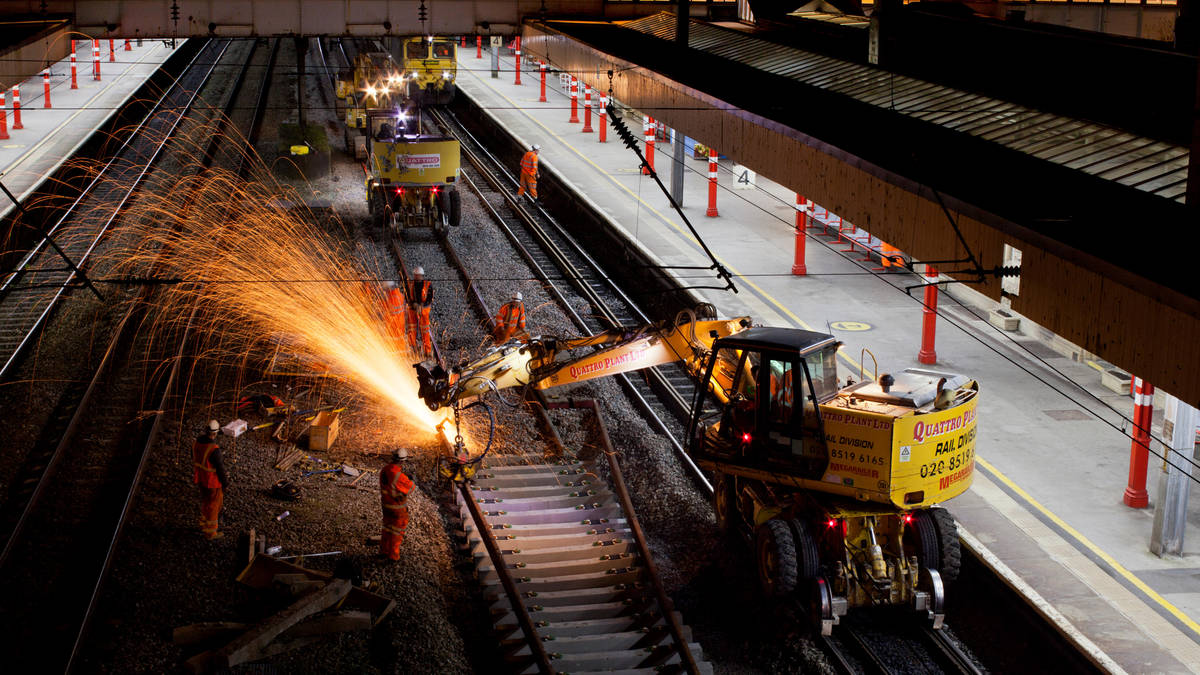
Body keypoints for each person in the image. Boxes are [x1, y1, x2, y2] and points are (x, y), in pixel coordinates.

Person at [192, 419, 229, 540]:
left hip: (201, 479)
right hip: (212, 483)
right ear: (215, 433)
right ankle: (211, 533)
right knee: (213, 506)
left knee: (206, 503)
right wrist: (225, 483)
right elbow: (220, 469)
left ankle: (203, 525)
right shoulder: (214, 450)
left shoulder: (197, 443)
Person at [379, 448, 415, 560]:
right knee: (397, 532)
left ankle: (384, 551)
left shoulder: (384, 470)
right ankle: (393, 556)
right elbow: (411, 488)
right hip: (397, 509)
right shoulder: (398, 476)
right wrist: (409, 479)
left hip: (386, 506)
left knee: (387, 529)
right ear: (402, 461)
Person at [406, 266, 434, 358]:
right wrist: (413, 304)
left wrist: (422, 305)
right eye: (416, 275)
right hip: (412, 310)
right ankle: (413, 348)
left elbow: (430, 298)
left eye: (418, 275)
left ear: (422, 276)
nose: (417, 277)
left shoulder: (428, 284)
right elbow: (407, 296)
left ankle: (427, 351)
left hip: (424, 310)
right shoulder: (410, 284)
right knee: (412, 329)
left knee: (425, 330)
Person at [382, 280, 406, 354]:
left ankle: (396, 356)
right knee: (400, 341)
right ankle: (402, 354)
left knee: (393, 344)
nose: (385, 292)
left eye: (386, 290)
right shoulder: (400, 295)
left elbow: (388, 309)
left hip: (394, 325)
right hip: (401, 323)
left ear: (388, 289)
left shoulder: (392, 298)